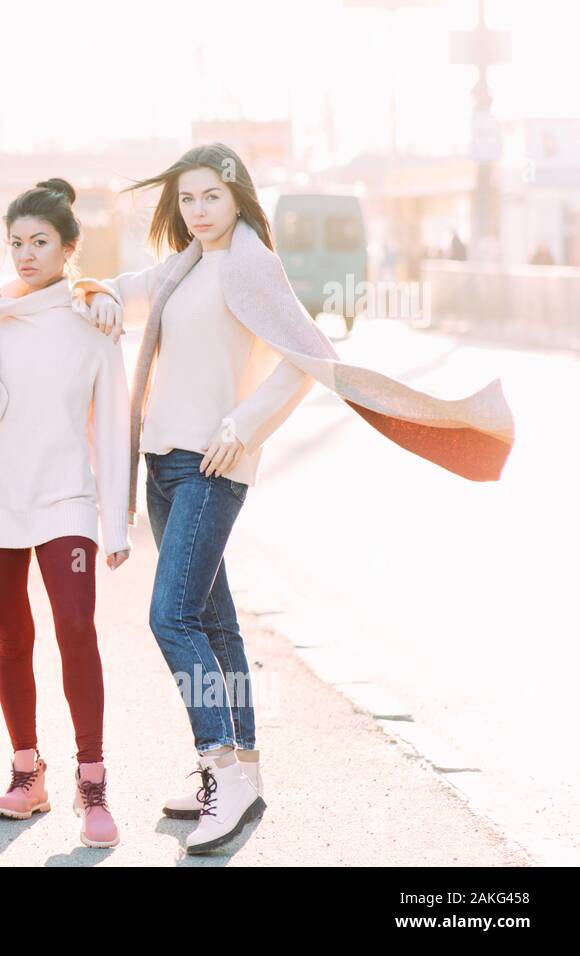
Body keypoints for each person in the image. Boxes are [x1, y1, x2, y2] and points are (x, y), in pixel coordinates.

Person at [76, 142, 516, 854]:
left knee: (172, 616)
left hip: (211, 464)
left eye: (210, 198)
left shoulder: (253, 261)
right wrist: (92, 290)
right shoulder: (186, 263)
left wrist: (242, 424)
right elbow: (133, 289)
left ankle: (225, 771)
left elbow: (303, 357)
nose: (198, 212)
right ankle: (241, 768)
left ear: (238, 196)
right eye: (186, 201)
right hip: (162, 459)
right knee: (215, 623)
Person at [0, 178, 130, 848]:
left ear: (69, 247)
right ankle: (28, 773)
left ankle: (94, 785)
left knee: (77, 627)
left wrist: (116, 521)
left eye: (40, 242)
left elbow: (113, 426)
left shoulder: (95, 319)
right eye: (16, 243)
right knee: (11, 639)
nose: (26, 254)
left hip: (66, 498)